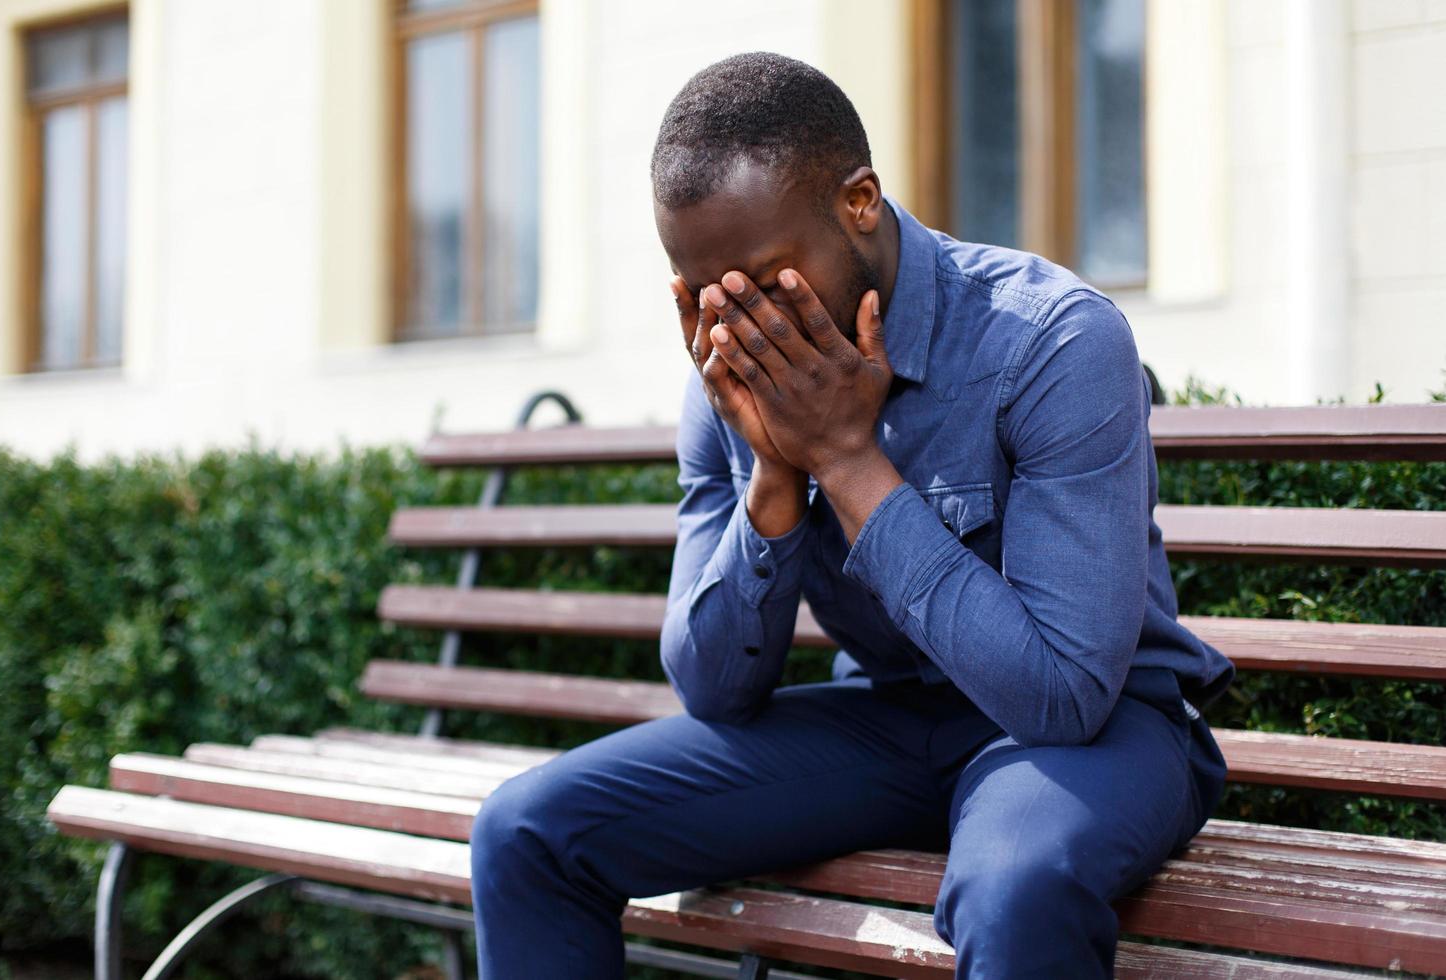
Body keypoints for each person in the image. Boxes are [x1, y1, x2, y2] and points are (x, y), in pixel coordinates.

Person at [470, 51, 1233, 979]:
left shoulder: (1050, 339)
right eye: (708, 293)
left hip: (1104, 730)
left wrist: (846, 459)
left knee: (1017, 885)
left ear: (859, 202)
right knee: (527, 831)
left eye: (767, 279)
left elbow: (1060, 695)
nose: (743, 321)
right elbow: (713, 689)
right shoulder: (730, 378)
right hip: (894, 722)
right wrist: (775, 474)